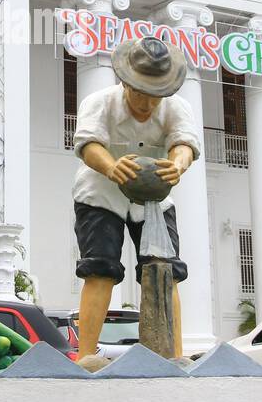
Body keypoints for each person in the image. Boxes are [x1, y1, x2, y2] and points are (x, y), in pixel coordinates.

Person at [72, 36, 200, 360]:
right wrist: (112, 167)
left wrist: (177, 165)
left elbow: (183, 144)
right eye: (140, 94)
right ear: (125, 82)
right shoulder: (99, 102)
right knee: (100, 268)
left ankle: (172, 353)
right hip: (101, 194)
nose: (146, 105)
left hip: (154, 201)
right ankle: (87, 354)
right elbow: (88, 145)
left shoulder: (176, 107)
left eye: (154, 97)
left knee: (165, 270)